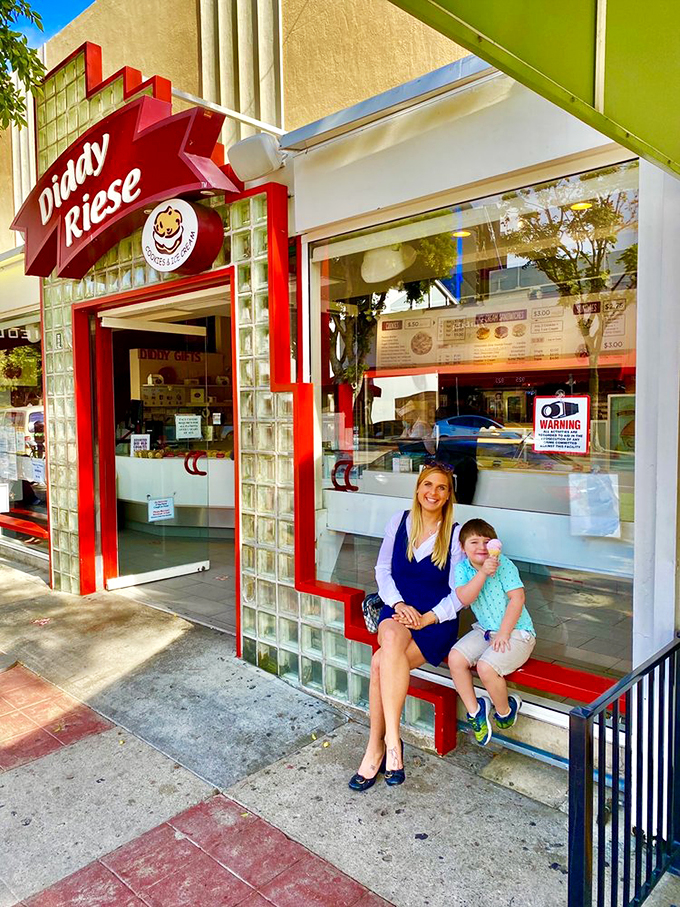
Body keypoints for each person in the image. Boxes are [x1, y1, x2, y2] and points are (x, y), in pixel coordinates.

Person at [349, 465, 463, 791]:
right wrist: (398, 604)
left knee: (379, 663)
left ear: (448, 495)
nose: (433, 492)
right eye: (427, 484)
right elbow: (382, 569)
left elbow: (459, 593)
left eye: (441, 487)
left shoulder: (454, 535)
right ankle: (392, 743)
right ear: (417, 488)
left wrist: (427, 618)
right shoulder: (399, 522)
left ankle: (377, 747)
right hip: (398, 610)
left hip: (434, 622)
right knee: (388, 638)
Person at [448, 519, 536, 746]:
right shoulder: (462, 569)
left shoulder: (503, 564)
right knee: (455, 659)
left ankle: (506, 711)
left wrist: (505, 633)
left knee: (486, 667)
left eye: (486, 542)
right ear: (462, 547)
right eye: (474, 542)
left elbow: (517, 599)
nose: (481, 547)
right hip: (486, 629)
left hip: (517, 631)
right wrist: (482, 573)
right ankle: (476, 711)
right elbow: (465, 598)